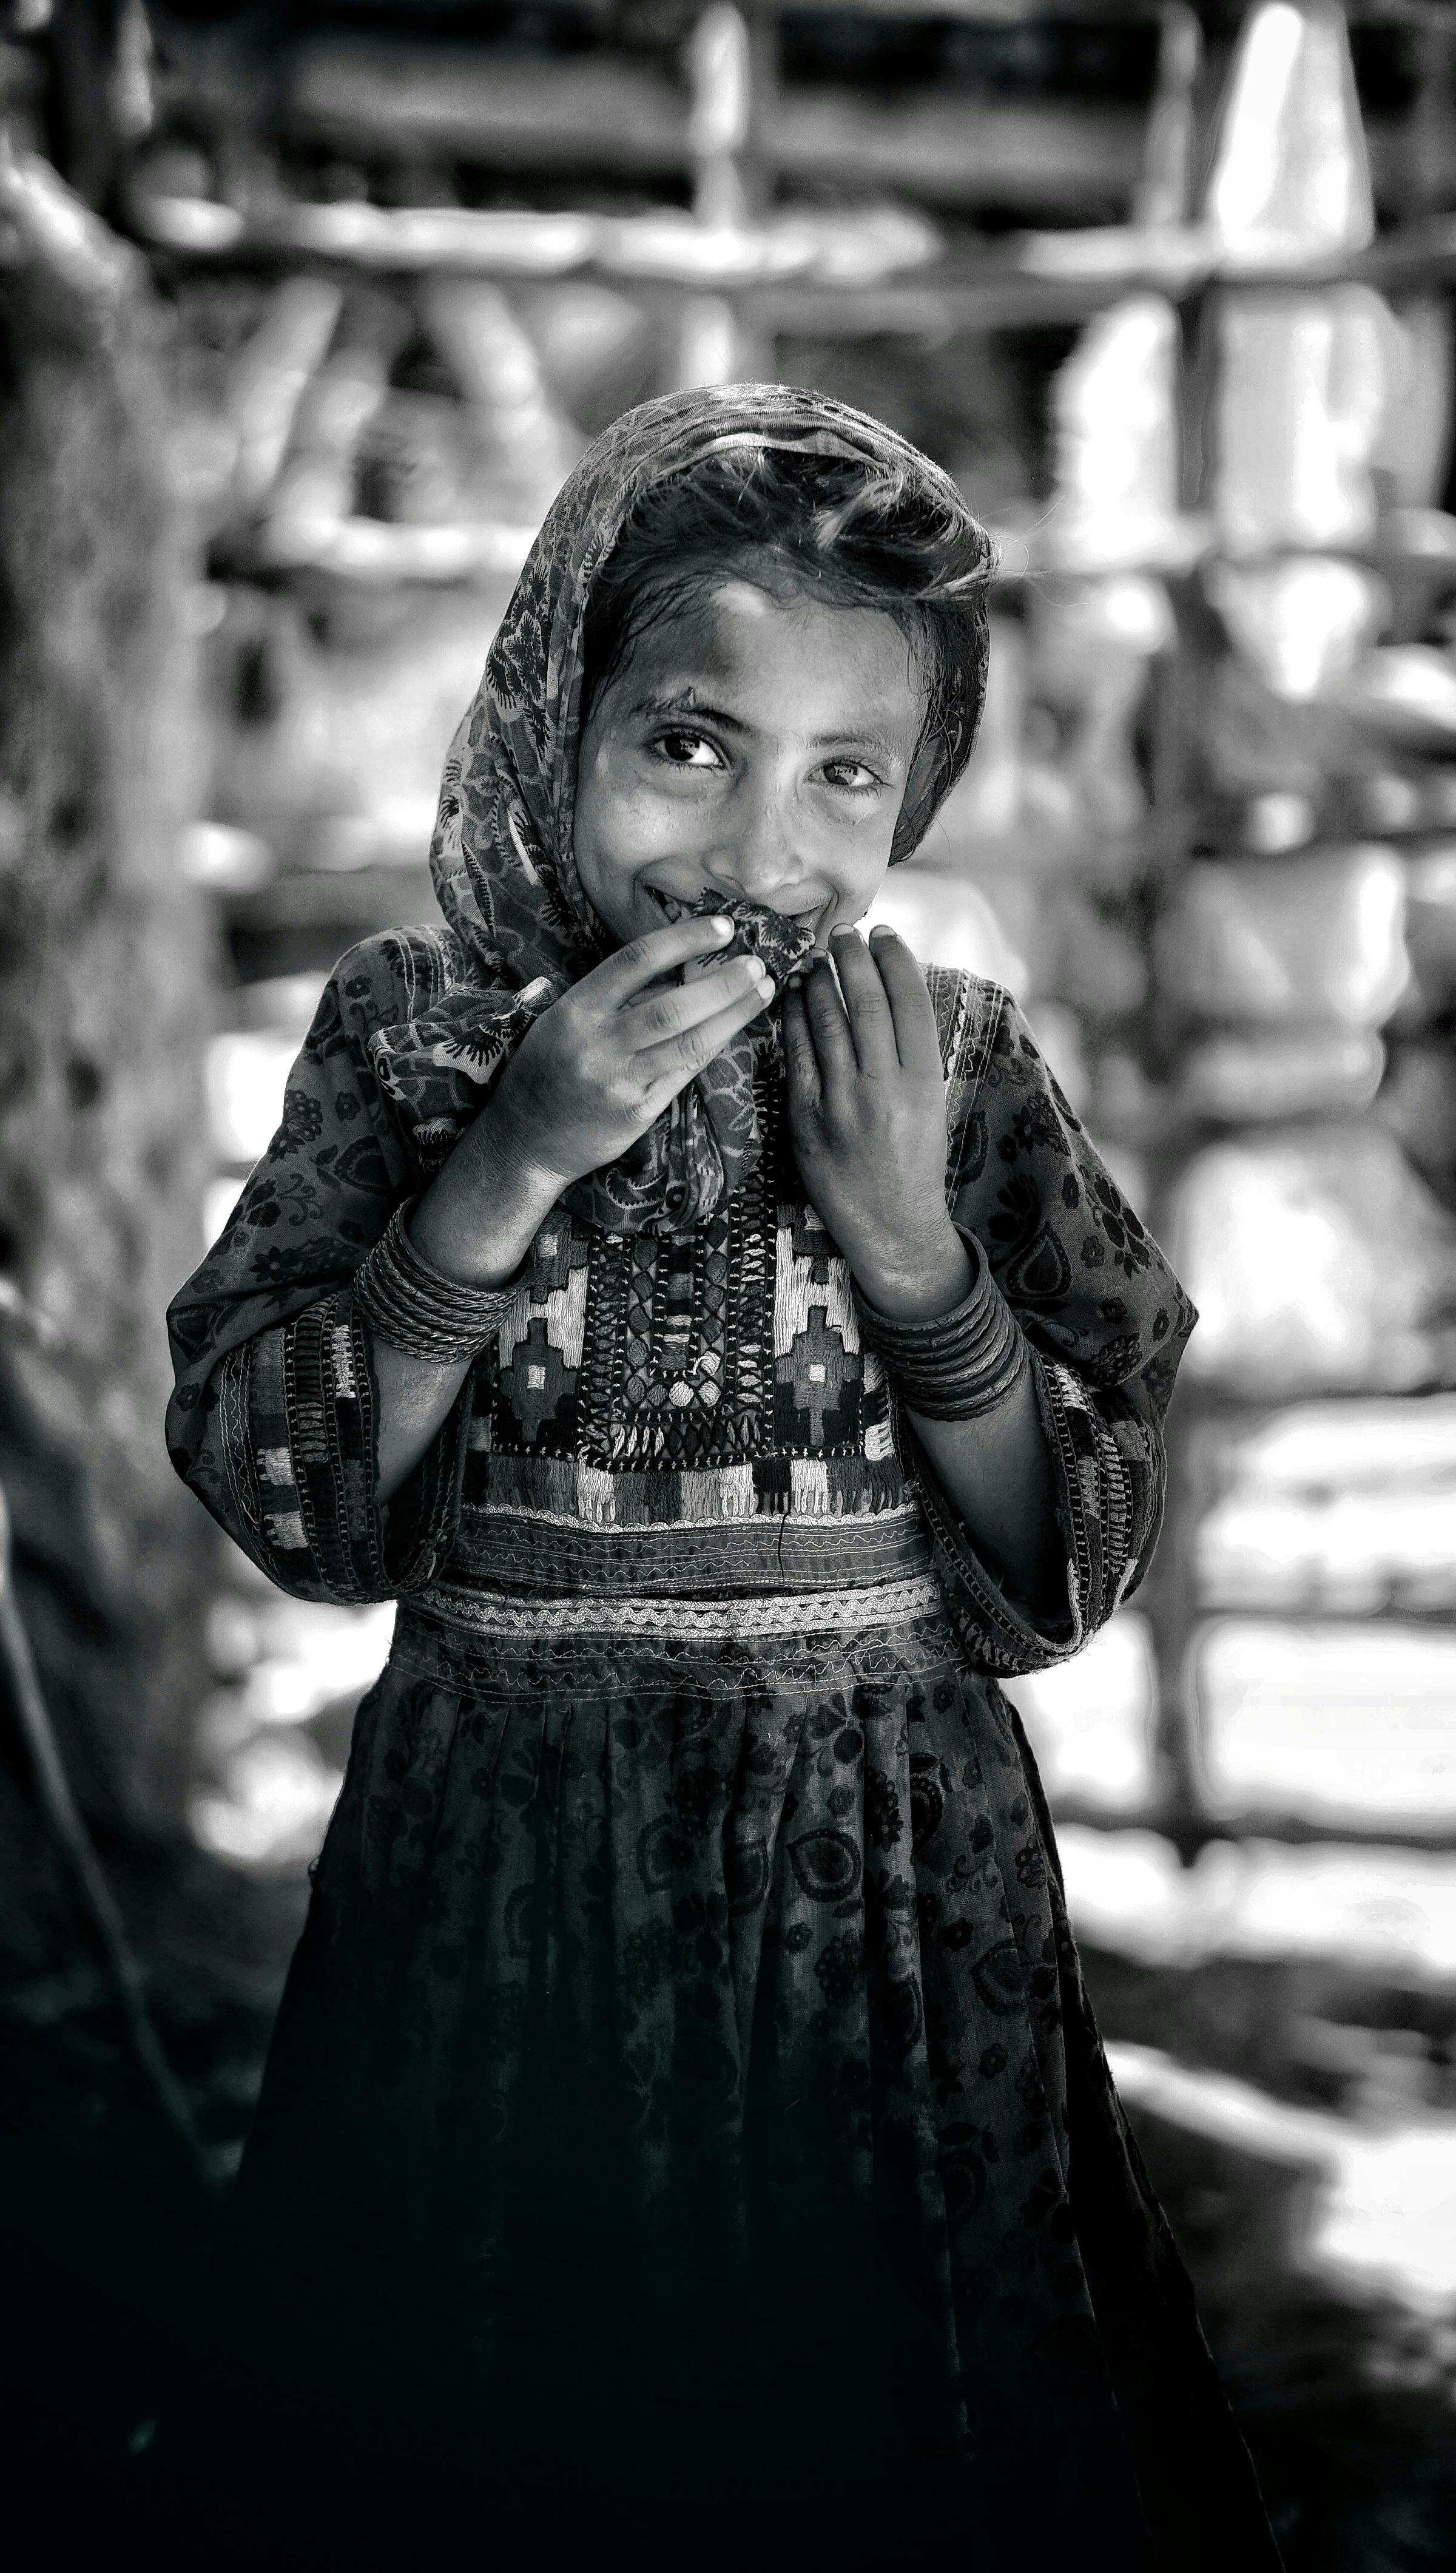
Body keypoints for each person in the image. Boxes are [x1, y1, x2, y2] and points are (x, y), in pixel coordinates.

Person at [166, 386, 1281, 2568]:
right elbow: (289, 1495)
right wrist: (504, 1166)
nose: (762, 851)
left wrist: (914, 1253)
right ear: (551, 710)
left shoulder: (944, 1074)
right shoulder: (413, 1040)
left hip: (882, 1880)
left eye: (848, 777)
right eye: (691, 742)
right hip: (503, 1859)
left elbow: (1079, 1542)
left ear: (918, 797)